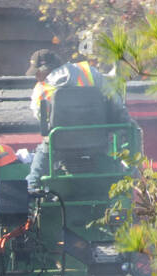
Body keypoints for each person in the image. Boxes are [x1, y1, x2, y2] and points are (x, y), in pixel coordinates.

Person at [25, 49, 130, 193]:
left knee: (42, 151)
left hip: (59, 145)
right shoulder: (89, 72)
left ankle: (32, 186)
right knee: (119, 164)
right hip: (97, 142)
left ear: (46, 69)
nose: (36, 76)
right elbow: (114, 99)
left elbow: (41, 118)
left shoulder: (41, 89)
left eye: (37, 72)